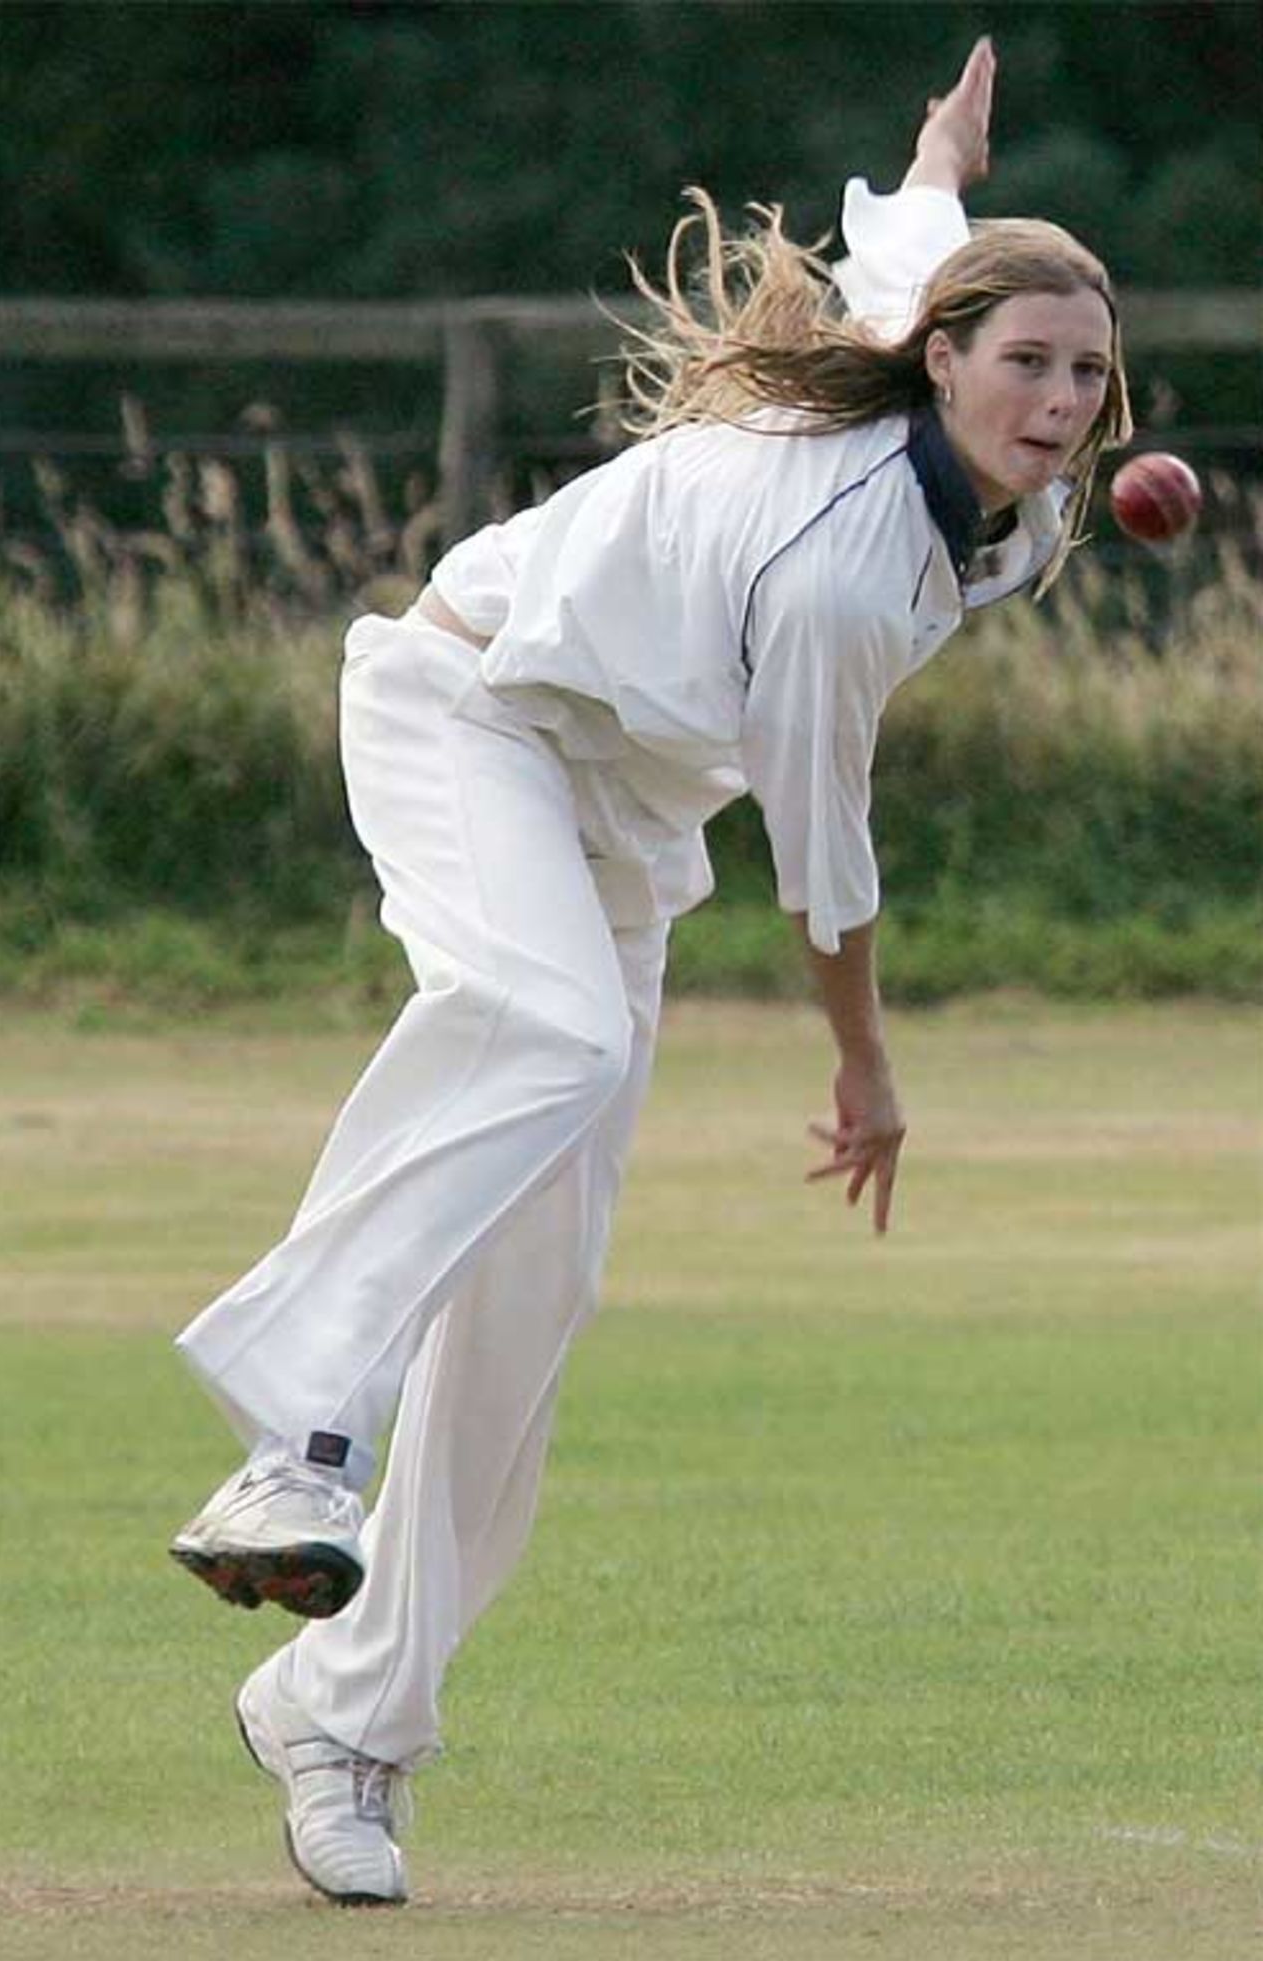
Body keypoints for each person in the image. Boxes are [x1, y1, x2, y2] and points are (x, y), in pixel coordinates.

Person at [169, 37, 1131, 1907]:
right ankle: (295, 1438)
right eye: (1026, 359)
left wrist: (946, 148)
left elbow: (918, 225)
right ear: (941, 360)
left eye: (1090, 372)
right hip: (473, 710)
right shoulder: (853, 558)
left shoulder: (1000, 495)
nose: (1063, 397)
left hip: (615, 821)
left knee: (537, 1297)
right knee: (542, 1023)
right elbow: (825, 878)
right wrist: (865, 1071)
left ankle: (344, 1716)